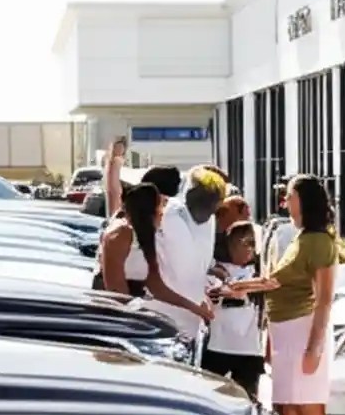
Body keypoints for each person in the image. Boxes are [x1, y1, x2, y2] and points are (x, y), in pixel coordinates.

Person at [266, 175, 337, 415]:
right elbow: (276, 283)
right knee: (290, 410)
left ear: (304, 199)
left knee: (310, 411)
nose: (285, 202)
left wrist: (314, 347)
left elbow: (324, 299)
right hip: (284, 333)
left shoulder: (319, 241)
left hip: (304, 331)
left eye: (290, 195)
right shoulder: (298, 238)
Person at [140, 163, 228, 365]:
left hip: (192, 323)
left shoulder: (208, 221)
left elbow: (197, 268)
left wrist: (208, 289)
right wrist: (195, 305)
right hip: (162, 317)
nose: (211, 208)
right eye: (206, 200)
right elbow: (179, 268)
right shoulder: (171, 214)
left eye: (215, 203)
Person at [95, 183, 211, 318]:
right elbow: (114, 287)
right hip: (111, 310)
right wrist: (133, 315)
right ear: (149, 212)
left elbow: (156, 286)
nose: (162, 215)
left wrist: (194, 308)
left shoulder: (147, 238)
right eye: (160, 210)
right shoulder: (120, 234)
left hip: (131, 307)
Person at [202, 221, 277, 400]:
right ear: (230, 244)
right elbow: (213, 294)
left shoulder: (260, 273)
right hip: (218, 348)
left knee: (247, 401)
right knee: (210, 398)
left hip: (250, 351)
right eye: (244, 242)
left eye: (253, 243)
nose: (250, 248)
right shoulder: (216, 270)